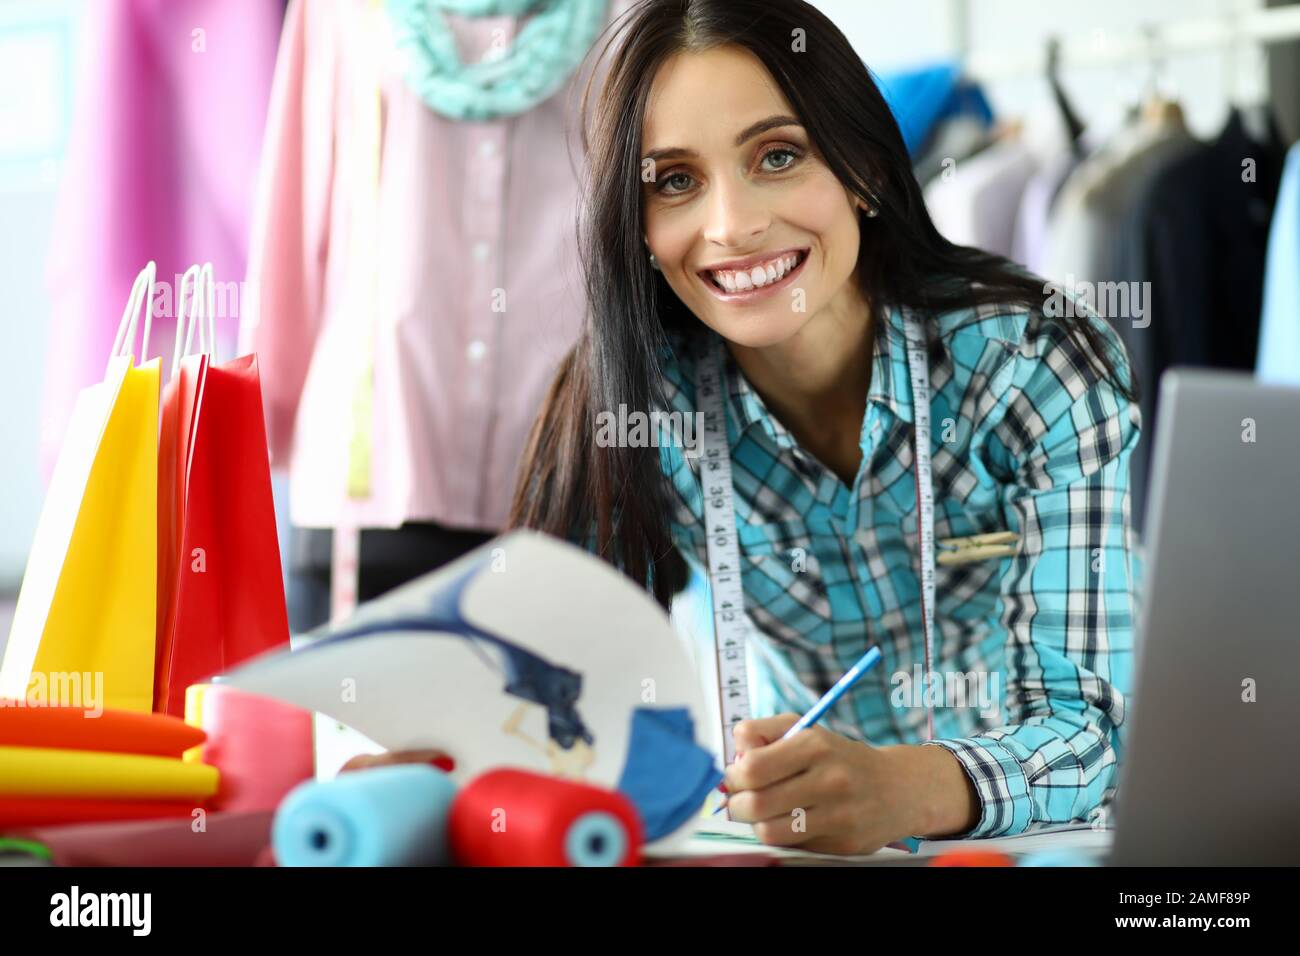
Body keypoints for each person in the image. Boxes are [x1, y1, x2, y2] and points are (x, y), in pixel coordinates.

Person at [505, 0, 1141, 855]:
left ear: (865, 171)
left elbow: (1092, 733)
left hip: (1059, 839)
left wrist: (904, 789)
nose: (732, 226)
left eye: (777, 156)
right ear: (639, 226)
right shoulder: (633, 405)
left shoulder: (1032, 363)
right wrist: (451, 768)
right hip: (807, 844)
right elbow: (545, 690)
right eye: (675, 181)